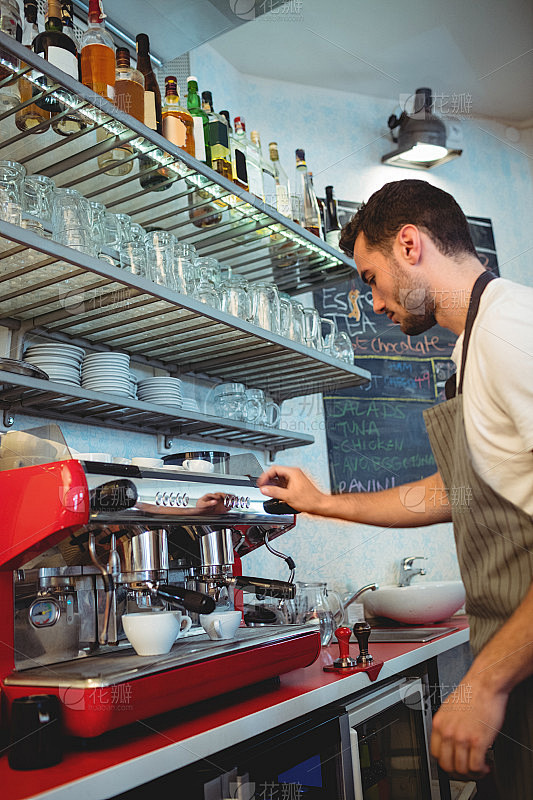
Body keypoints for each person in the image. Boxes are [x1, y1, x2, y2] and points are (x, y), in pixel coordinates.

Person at [257, 179, 533, 797]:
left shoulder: (514, 330)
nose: (373, 303)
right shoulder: (471, 348)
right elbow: (451, 493)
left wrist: (484, 682)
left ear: (410, 245)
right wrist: (321, 502)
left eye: (370, 277)